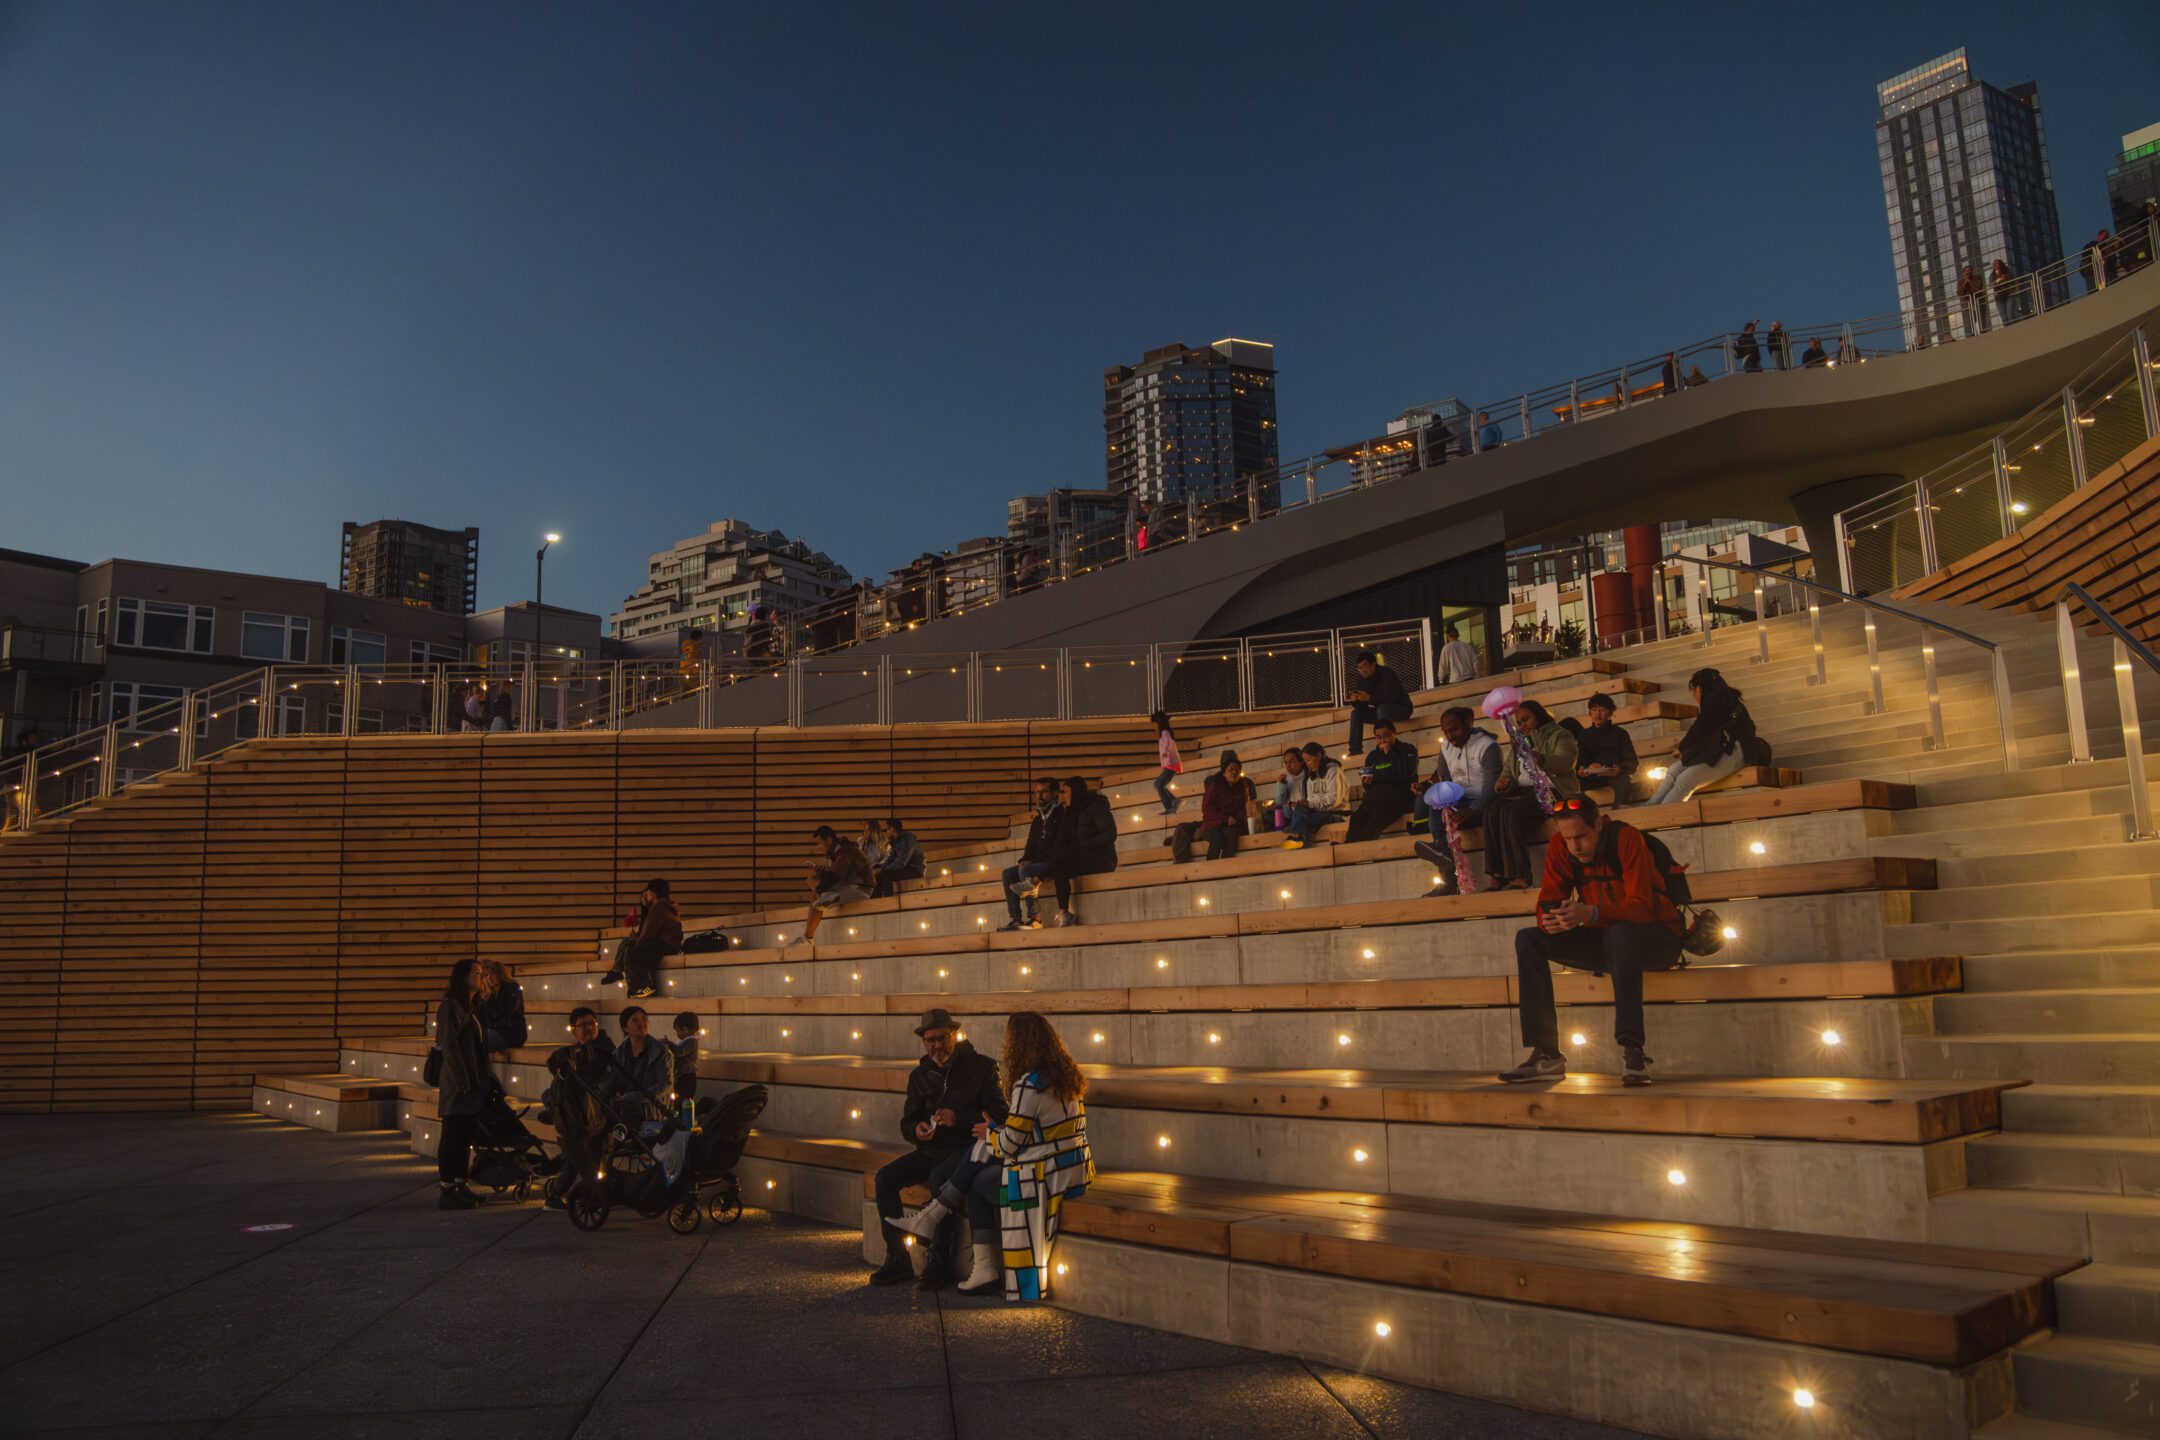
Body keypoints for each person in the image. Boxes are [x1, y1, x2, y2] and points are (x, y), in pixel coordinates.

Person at [891, 1010, 1092, 1301]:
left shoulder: (1029, 1084)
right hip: (1074, 1167)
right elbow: (1041, 1130)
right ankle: (945, 1229)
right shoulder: (1067, 1075)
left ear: (1019, 1044)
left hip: (1045, 1173)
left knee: (978, 1173)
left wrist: (992, 1134)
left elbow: (1011, 1144)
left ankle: (951, 1233)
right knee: (981, 1155)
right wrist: (995, 1131)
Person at [1500, 794, 1686, 1087]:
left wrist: (1591, 913)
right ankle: (1547, 1054)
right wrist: (1550, 921)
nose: (1575, 847)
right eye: (1568, 838)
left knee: (1621, 932)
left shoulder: (1627, 839)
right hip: (1609, 940)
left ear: (1599, 824)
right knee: (1529, 939)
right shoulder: (1562, 847)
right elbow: (1547, 900)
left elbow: (1642, 909)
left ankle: (1633, 1050)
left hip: (1658, 940)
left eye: (1582, 837)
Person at [869, 1008, 1006, 1289]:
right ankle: (897, 1259)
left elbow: (1000, 1116)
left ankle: (938, 1263)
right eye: (929, 1041)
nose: (936, 1046)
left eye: (941, 1038)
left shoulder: (982, 1068)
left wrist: (960, 1120)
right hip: (931, 1149)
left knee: (938, 1180)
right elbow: (908, 1120)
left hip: (968, 1149)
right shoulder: (920, 1075)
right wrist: (917, 1131)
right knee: (884, 1178)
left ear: (954, 1035)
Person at [1481, 700, 1580, 890]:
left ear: (1539, 715)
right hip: (1524, 792)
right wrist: (1503, 783)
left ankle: (1520, 876)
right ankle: (1497, 874)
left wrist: (1542, 758)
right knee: (1492, 811)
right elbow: (1509, 771)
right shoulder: (1519, 741)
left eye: (1526, 719)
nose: (1523, 725)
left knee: (1511, 812)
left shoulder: (1559, 734)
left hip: (1551, 792)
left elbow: (1566, 761)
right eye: (1520, 722)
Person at [1414, 707, 1500, 896]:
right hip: (1458, 799)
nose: (1450, 736)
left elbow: (1491, 789)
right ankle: (1443, 856)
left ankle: (1444, 859)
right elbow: (1444, 781)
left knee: (1445, 809)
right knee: (1436, 800)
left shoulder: (1488, 746)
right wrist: (1427, 786)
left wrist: (1473, 810)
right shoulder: (1445, 747)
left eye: (1454, 729)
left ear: (1469, 722)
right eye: (1445, 731)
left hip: (1483, 803)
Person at [433, 958, 493, 1210]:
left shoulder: (474, 1006)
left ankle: (459, 1184)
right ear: (462, 977)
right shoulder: (450, 1006)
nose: (482, 978)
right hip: (458, 1083)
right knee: (453, 1135)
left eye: (482, 973)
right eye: (476, 973)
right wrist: (462, 1082)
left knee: (465, 1135)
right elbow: (449, 1045)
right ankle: (447, 1189)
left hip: (472, 1081)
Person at [1018, 777, 1117, 927]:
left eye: (1065, 792)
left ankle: (1036, 880)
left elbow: (1110, 834)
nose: (1062, 796)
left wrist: (1083, 845)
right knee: (1061, 863)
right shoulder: (1070, 811)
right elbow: (1063, 843)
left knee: (1066, 854)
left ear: (1075, 793)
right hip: (1081, 856)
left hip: (1100, 859)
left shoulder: (1095, 806)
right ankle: (1064, 912)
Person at [1647, 667, 1754, 804]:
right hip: (1718, 750)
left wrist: (1682, 747)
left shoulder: (1715, 700)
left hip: (1736, 750)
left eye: (1693, 693)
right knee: (1674, 771)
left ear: (1698, 689)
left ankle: (1659, 815)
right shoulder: (1723, 699)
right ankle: (1650, 808)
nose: (1695, 698)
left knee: (1685, 780)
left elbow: (1701, 726)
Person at [1001, 778, 1063, 930]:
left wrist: (1031, 862)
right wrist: (1025, 859)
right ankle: (1016, 918)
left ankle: (1035, 918)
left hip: (1053, 862)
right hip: (1037, 861)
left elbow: (1059, 846)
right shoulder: (1037, 819)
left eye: (1044, 792)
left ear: (1055, 794)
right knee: (1008, 873)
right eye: (1037, 792)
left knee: (1025, 870)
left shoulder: (1061, 815)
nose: (1040, 796)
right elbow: (1031, 844)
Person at [1344, 719, 1420, 843]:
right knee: (1357, 817)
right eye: (1378, 737)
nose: (1383, 740)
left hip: (1403, 796)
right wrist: (1367, 782)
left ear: (1395, 733)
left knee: (1376, 805)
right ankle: (1350, 847)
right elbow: (1368, 785)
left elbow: (1406, 773)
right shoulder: (1372, 756)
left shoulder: (1408, 750)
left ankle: (1357, 848)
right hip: (1378, 801)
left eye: (1386, 736)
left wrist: (1389, 753)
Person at [600, 1004, 676, 1114]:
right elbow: (612, 1080)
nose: (641, 1023)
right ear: (625, 1028)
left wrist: (635, 1097)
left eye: (644, 1019)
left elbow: (665, 1084)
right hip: (624, 1109)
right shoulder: (620, 1052)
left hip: (652, 1110)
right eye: (635, 1020)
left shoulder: (661, 1051)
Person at [804, 828, 873, 944]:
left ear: (829, 840)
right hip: (850, 886)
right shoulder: (837, 853)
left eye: (819, 843)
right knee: (812, 880)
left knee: (815, 894)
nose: (818, 847)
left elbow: (836, 874)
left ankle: (807, 938)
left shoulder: (846, 851)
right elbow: (833, 873)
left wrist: (820, 890)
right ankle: (827, 897)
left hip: (860, 889)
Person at [620, 879, 681, 999]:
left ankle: (641, 988)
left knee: (632, 953)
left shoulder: (659, 906)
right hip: (668, 944)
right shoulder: (663, 905)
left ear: (654, 892)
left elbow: (649, 930)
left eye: (648, 891)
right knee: (629, 947)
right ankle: (636, 985)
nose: (646, 894)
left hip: (666, 944)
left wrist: (638, 941)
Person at [1344, 650, 1413, 756]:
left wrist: (1369, 698)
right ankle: (1355, 750)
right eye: (1359, 668)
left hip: (1401, 708)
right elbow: (1363, 707)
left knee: (1382, 709)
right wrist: (1356, 701)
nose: (1362, 670)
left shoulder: (1387, 673)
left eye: (1364, 666)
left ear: (1373, 664)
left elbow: (1390, 697)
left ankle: (1383, 743)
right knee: (1356, 713)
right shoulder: (1362, 680)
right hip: (1381, 711)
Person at [1573, 693, 1639, 793]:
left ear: (1610, 713)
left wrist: (1619, 770)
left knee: (1624, 781)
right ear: (1590, 713)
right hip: (1592, 777)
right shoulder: (1584, 735)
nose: (1598, 713)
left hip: (1614, 775)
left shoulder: (1620, 733)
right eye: (1594, 709)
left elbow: (1631, 760)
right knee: (1574, 786)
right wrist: (1581, 768)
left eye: (1602, 709)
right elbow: (1582, 760)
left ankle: (1621, 807)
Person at [1283, 742, 1343, 849]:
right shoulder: (1310, 777)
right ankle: (1298, 834)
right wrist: (1305, 804)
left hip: (1335, 811)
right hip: (1318, 812)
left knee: (1300, 822)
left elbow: (1333, 800)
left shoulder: (1333, 771)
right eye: (1306, 762)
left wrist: (1310, 804)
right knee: (1300, 809)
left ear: (1319, 756)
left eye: (1309, 760)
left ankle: (1296, 832)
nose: (1308, 764)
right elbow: (1311, 801)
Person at [1198, 751, 1255, 861]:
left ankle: (1226, 864)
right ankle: (1210, 870)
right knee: (1217, 839)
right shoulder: (1214, 786)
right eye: (1230, 770)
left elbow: (1244, 808)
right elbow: (1208, 809)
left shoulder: (1242, 787)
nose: (1234, 772)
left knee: (1232, 834)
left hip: (1230, 826)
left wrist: (1236, 820)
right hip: (1212, 825)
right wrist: (1225, 819)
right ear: (1224, 773)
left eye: (1237, 770)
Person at [477, 959, 527, 1052]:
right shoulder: (491, 994)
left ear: (500, 974)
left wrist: (489, 1000)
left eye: (492, 974)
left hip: (512, 1034)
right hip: (496, 1032)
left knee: (480, 1038)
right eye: (487, 975)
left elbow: (506, 1012)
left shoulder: (512, 988)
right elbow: (487, 1018)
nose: (489, 978)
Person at [871, 818, 924, 898]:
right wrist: (880, 869)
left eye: (887, 830)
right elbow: (890, 859)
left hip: (915, 870)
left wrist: (882, 870)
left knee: (885, 874)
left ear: (892, 829)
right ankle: (874, 901)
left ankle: (889, 900)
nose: (886, 832)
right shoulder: (896, 841)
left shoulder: (907, 839)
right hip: (905, 868)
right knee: (879, 873)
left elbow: (901, 862)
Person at [1150, 710, 1183, 814]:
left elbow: (1168, 745)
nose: (1154, 727)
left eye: (1154, 724)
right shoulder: (1164, 734)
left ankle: (1169, 807)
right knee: (1157, 784)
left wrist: (1166, 755)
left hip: (1171, 764)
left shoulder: (1165, 733)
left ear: (1159, 723)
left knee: (1159, 785)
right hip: (1169, 764)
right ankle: (1174, 800)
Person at [669, 1011, 700, 1115]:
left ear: (685, 1029)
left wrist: (668, 1043)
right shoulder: (687, 1041)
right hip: (682, 1076)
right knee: (678, 1101)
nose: (677, 1034)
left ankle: (685, 1120)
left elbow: (679, 1052)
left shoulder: (691, 1041)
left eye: (677, 1031)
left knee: (684, 1101)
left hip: (687, 1077)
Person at [1956, 265, 1987, 335]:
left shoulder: (1977, 278)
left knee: (1981, 321)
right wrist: (1965, 283)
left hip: (1978, 302)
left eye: (1970, 270)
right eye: (1966, 271)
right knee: (1968, 323)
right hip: (1967, 305)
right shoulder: (1960, 282)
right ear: (1963, 273)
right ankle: (1970, 337)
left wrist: (1970, 282)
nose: (1968, 272)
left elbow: (1978, 289)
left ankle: (1984, 334)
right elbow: (1959, 293)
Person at [1991, 259, 2019, 327]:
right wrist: (2000, 279)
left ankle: (2017, 329)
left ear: (2000, 264)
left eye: (1996, 263)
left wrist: (2006, 277)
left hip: (2009, 294)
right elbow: (1991, 284)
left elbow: (2013, 280)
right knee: (2004, 317)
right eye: (1993, 264)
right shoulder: (1992, 275)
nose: (1994, 265)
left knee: (2010, 315)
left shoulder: (2007, 271)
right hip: (1999, 297)